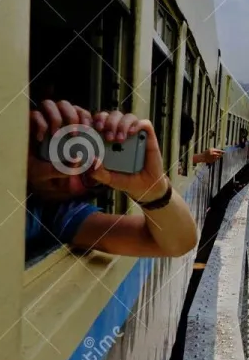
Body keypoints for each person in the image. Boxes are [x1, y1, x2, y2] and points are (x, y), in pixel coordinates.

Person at [26, 99, 198, 260]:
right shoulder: (24, 137)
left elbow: (178, 244)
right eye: (68, 149)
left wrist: (154, 191)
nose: (70, 171)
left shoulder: (60, 214)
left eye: (87, 175)